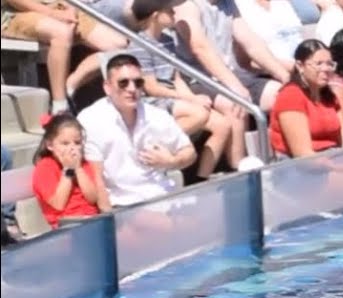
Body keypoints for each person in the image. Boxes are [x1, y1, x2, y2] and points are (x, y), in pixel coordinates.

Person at [131, 0, 234, 182]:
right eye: (169, 10)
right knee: (199, 114)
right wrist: (188, 100)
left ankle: (200, 178)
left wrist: (191, 97)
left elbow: (176, 78)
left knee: (223, 125)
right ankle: (151, 146)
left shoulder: (168, 40)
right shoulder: (139, 45)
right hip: (153, 101)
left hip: (173, 97)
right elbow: (151, 87)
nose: (174, 13)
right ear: (156, 15)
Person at [78, 53, 197, 207]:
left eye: (138, 82)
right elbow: (96, 180)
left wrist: (171, 161)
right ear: (107, 87)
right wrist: (108, 221)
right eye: (123, 83)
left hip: (161, 196)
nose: (132, 89)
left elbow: (190, 152)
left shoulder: (157, 116)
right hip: (122, 205)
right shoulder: (91, 120)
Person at [1, 0, 127, 113]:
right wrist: (52, 14)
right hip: (16, 13)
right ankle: (60, 107)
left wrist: (72, 9)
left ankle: (71, 84)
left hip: (60, 7)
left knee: (120, 45)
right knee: (62, 32)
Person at [268, 38, 343, 157]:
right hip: (303, 167)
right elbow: (303, 154)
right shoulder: (291, 96)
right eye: (318, 64)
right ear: (300, 66)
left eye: (329, 64)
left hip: (334, 158)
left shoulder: (329, 96)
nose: (326, 69)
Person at [30, 113, 110, 229]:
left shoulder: (82, 164)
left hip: (91, 219)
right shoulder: (45, 167)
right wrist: (68, 170)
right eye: (65, 143)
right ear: (50, 145)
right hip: (65, 224)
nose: (72, 148)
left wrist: (78, 168)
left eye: (77, 143)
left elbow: (93, 198)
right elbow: (58, 204)